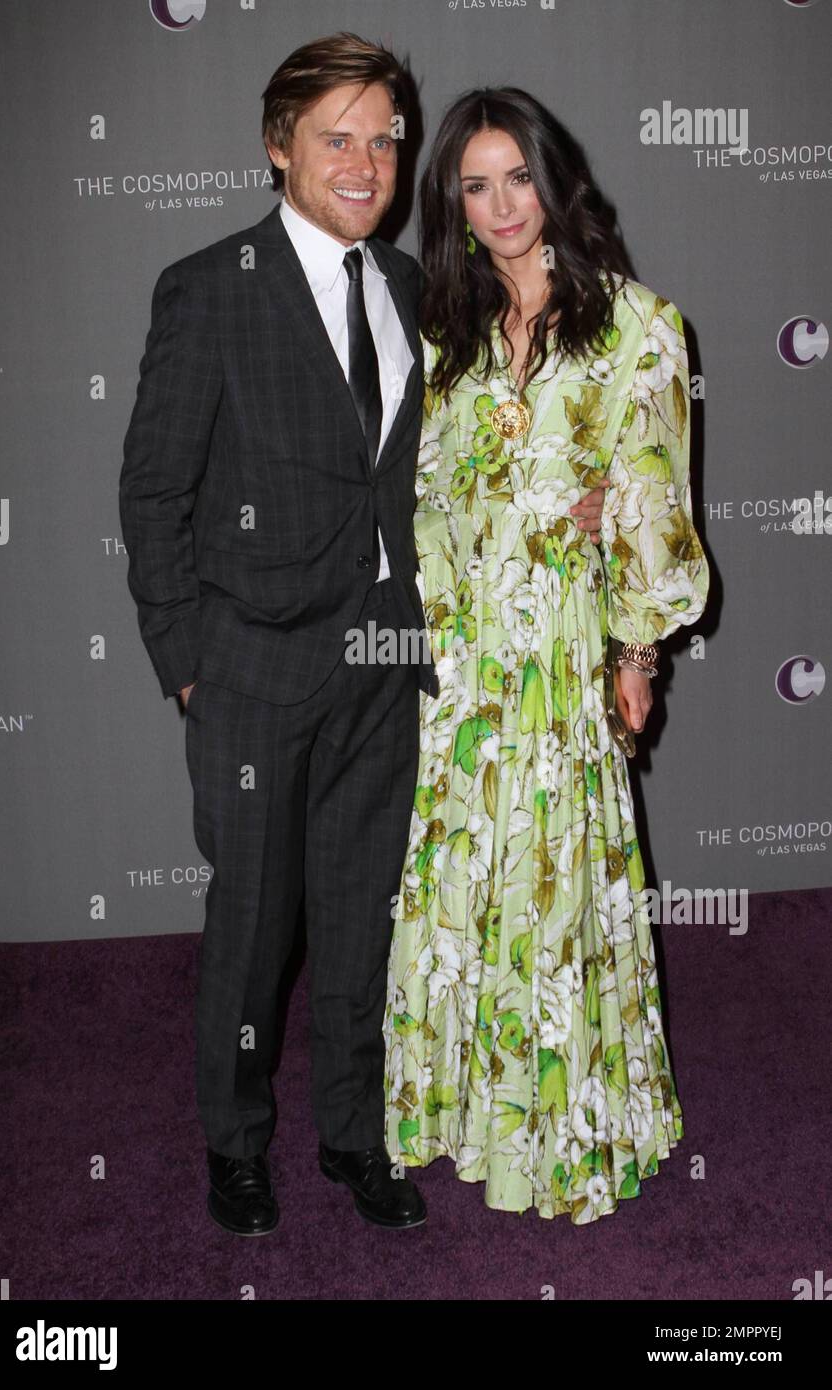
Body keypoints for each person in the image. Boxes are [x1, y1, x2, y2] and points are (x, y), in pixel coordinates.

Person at [119, 35, 608, 1237]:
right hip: (250, 664)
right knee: (251, 923)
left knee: (360, 914)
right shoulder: (208, 285)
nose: (366, 160)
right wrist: (187, 664)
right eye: (337, 136)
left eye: (385, 138)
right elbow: (152, 493)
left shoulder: (406, 289)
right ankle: (236, 1144)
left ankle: (352, 1130)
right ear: (276, 145)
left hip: (388, 664)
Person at [383, 87, 710, 1223]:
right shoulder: (444, 335)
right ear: (453, 203)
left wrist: (636, 647)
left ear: (550, 178)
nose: (499, 205)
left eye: (515, 176)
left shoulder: (636, 324)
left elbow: (655, 496)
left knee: (556, 880)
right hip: (465, 651)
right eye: (473, 185)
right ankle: (469, 1112)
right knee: (467, 875)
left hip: (562, 648)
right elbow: (416, 497)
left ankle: (562, 1131)